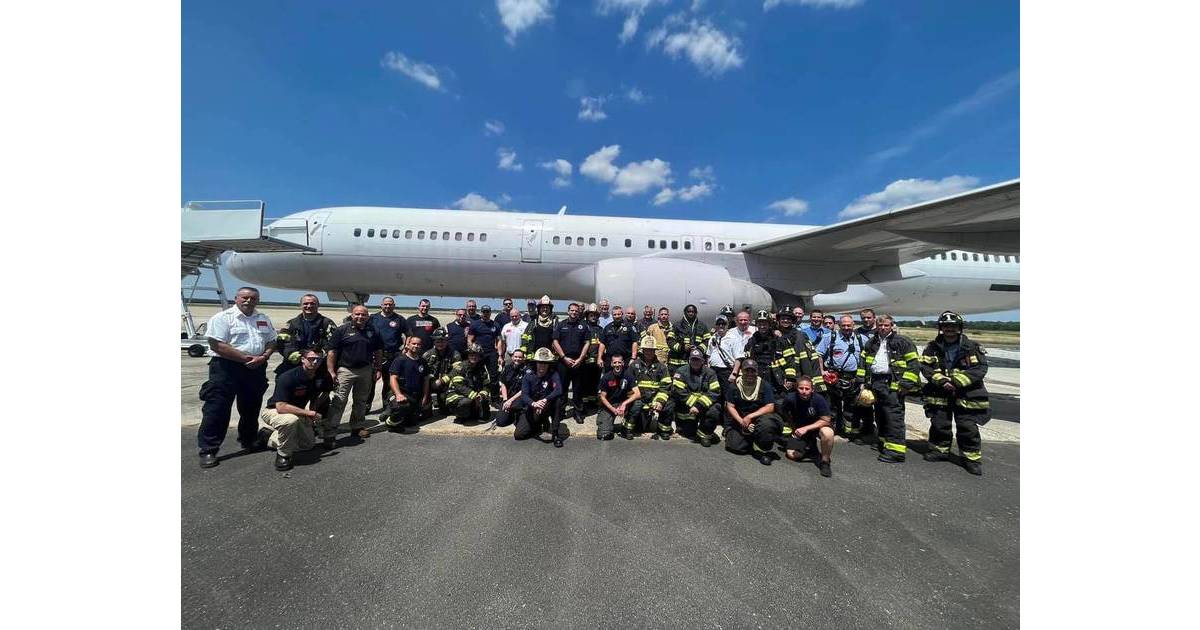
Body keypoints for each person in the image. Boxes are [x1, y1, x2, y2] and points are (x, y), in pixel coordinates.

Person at [196, 287, 278, 469]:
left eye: (253, 298)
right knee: (217, 409)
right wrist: (245, 359)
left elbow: (272, 340)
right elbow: (216, 344)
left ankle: (248, 440)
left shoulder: (262, 318)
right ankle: (209, 449)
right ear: (236, 298)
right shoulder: (223, 318)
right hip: (226, 368)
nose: (249, 301)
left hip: (256, 368)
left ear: (258, 300)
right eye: (245, 297)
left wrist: (264, 357)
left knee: (251, 408)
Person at [918, 311, 990, 476]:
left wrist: (957, 382)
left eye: (953, 326)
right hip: (940, 392)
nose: (949, 329)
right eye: (946, 326)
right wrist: (942, 381)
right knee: (939, 424)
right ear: (941, 328)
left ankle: (971, 459)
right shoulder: (932, 347)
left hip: (966, 393)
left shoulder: (972, 347)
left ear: (959, 328)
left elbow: (980, 368)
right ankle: (939, 451)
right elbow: (925, 368)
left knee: (967, 427)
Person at [855, 314, 921, 463]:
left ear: (892, 326)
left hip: (893, 384)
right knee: (880, 415)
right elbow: (863, 363)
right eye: (880, 325)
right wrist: (862, 381)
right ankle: (884, 442)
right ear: (876, 327)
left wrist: (906, 384)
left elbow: (914, 365)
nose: (883, 328)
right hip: (876, 383)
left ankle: (896, 451)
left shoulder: (903, 342)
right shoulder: (872, 342)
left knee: (893, 416)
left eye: (886, 325)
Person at [258, 349, 332, 471]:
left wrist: (313, 408)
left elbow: (324, 392)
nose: (314, 362)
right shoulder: (288, 377)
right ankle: (283, 455)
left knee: (308, 445)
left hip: (297, 412)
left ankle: (269, 437)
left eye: (318, 359)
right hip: (274, 410)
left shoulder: (320, 375)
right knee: (290, 421)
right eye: (311, 359)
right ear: (303, 359)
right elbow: (281, 406)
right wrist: (310, 413)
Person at [324, 305, 383, 444]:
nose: (360, 317)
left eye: (363, 315)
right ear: (352, 315)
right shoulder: (342, 330)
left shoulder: (372, 331)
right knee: (339, 402)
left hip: (365, 370)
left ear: (368, 316)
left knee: (361, 401)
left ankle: (357, 427)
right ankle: (330, 432)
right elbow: (332, 351)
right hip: (345, 370)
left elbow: (378, 351)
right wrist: (331, 371)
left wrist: (378, 368)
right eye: (357, 314)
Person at [723, 359, 783, 465]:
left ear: (757, 372)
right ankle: (750, 439)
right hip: (741, 419)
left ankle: (762, 450)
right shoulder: (734, 386)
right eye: (747, 371)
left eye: (753, 371)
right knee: (735, 447)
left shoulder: (765, 385)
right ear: (742, 371)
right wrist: (742, 422)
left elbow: (770, 407)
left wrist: (751, 416)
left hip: (759, 417)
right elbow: (730, 406)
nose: (750, 374)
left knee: (767, 424)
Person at [823, 315, 870, 438]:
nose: (846, 327)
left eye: (849, 325)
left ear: (853, 325)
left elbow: (868, 358)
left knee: (852, 405)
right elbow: (819, 354)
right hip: (834, 377)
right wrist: (822, 371)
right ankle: (831, 429)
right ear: (839, 325)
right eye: (843, 325)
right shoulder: (829, 337)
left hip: (853, 378)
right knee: (833, 405)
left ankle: (849, 430)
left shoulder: (862, 339)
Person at [274, 294, 336, 385]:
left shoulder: (327, 323)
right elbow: (283, 343)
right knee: (283, 382)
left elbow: (334, 343)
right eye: (305, 303)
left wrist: (319, 354)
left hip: (319, 364)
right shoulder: (291, 324)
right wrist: (297, 356)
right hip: (295, 363)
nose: (309, 306)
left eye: (312, 303)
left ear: (318, 305)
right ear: (300, 306)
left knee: (322, 391)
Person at [781, 377, 835, 478]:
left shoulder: (819, 399)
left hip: (817, 427)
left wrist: (806, 428)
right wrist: (792, 426)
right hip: (800, 429)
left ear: (812, 389)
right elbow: (784, 412)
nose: (804, 391)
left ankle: (825, 462)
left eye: (807, 389)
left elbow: (826, 420)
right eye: (801, 388)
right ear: (796, 388)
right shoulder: (790, 398)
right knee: (792, 455)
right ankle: (810, 448)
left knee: (828, 433)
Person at [552, 302, 595, 424]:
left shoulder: (583, 326)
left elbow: (587, 342)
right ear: (568, 311)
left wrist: (580, 359)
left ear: (579, 312)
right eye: (572, 310)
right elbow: (555, 341)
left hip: (578, 362)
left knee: (578, 389)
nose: (574, 312)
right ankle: (560, 412)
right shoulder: (561, 325)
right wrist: (564, 357)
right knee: (562, 389)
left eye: (576, 311)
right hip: (563, 362)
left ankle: (578, 413)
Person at [671, 348, 723, 445]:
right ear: (689, 360)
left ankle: (705, 433)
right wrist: (694, 405)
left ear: (703, 361)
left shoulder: (710, 373)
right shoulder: (681, 371)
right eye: (693, 359)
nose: (695, 362)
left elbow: (715, 392)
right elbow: (680, 392)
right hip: (687, 407)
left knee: (715, 409)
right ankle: (706, 432)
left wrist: (698, 406)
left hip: (703, 406)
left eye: (698, 360)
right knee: (688, 433)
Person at [624, 337, 674, 440]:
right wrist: (633, 398)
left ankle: (663, 430)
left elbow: (666, 386)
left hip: (654, 399)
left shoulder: (661, 367)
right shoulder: (635, 365)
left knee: (669, 404)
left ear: (654, 351)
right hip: (639, 399)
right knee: (636, 407)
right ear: (642, 350)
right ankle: (628, 429)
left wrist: (659, 401)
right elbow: (628, 384)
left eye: (651, 350)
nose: (649, 352)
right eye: (646, 349)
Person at [515, 347, 565, 447]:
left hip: (548, 405)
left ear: (549, 363)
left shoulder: (553, 374)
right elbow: (524, 395)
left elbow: (559, 390)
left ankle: (555, 433)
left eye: (545, 362)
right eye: (540, 362)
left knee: (558, 400)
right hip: (533, 407)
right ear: (536, 362)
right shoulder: (528, 375)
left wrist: (545, 399)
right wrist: (533, 404)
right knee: (519, 435)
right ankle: (539, 423)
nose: (542, 365)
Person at [369, 296, 408, 415]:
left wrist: (405, 349)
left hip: (392, 355)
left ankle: (386, 405)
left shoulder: (399, 319)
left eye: (390, 304)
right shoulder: (373, 318)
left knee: (388, 382)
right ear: (381, 305)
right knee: (371, 381)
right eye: (385, 304)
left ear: (394, 306)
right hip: (374, 355)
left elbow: (409, 334)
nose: (387, 306)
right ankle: (366, 405)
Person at [384, 336, 427, 433]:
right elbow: (393, 378)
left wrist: (425, 397)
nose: (416, 346)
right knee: (401, 407)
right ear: (408, 345)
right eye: (413, 343)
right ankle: (390, 423)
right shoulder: (400, 360)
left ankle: (391, 413)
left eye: (418, 344)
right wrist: (398, 394)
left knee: (412, 422)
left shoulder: (422, 361)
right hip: (401, 393)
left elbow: (426, 380)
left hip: (414, 396)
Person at [595, 353, 639, 441]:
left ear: (623, 363)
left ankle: (626, 428)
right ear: (611, 364)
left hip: (623, 403)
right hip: (610, 405)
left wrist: (624, 404)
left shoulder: (628, 375)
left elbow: (638, 393)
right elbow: (602, 397)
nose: (617, 365)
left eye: (619, 362)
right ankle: (607, 426)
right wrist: (613, 410)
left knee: (638, 403)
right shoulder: (606, 377)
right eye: (615, 362)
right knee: (604, 435)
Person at [446, 343, 492, 424]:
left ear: (480, 357)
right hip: (458, 395)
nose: (473, 357)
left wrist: (482, 395)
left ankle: (471, 413)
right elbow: (459, 386)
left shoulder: (481, 369)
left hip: (474, 396)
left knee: (485, 413)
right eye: (471, 355)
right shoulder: (460, 367)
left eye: (476, 355)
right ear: (468, 355)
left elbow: (486, 385)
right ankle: (460, 415)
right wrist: (474, 396)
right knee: (465, 402)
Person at [422, 328, 460, 412]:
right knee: (425, 411)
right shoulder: (427, 355)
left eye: (442, 341)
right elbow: (422, 372)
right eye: (437, 342)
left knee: (445, 410)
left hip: (446, 384)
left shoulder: (455, 354)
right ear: (434, 342)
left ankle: (442, 401)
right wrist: (429, 381)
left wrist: (442, 380)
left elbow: (457, 371)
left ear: (447, 341)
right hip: (429, 384)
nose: (440, 344)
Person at [467, 304, 502, 394]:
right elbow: (469, 340)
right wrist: (472, 352)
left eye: (487, 312)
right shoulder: (475, 324)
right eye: (484, 312)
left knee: (494, 375)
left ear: (490, 313)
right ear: (481, 313)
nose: (485, 314)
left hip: (491, 353)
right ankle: (478, 395)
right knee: (478, 375)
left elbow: (499, 341)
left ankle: (495, 398)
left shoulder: (495, 325)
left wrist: (500, 355)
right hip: (479, 354)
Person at [578, 303, 606, 413]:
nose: (593, 317)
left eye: (595, 315)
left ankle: (592, 402)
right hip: (584, 362)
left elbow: (603, 344)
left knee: (595, 383)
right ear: (587, 315)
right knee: (584, 383)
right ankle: (583, 404)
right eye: (591, 315)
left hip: (596, 362)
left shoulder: (600, 329)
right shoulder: (582, 327)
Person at [493, 349, 531, 428]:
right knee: (500, 422)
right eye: (515, 357)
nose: (517, 359)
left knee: (515, 406)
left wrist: (510, 401)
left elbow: (524, 389)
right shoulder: (507, 368)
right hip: (508, 397)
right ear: (512, 357)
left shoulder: (527, 371)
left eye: (520, 357)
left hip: (520, 398)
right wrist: (505, 400)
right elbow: (503, 384)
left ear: (524, 358)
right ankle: (511, 415)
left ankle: (518, 414)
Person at [669, 304, 711, 371]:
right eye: (688, 311)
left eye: (693, 312)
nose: (691, 313)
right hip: (677, 364)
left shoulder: (702, 326)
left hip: (695, 363)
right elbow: (670, 340)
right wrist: (682, 348)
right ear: (685, 312)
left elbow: (708, 341)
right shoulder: (677, 325)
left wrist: (699, 349)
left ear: (696, 313)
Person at [720, 310, 757, 383]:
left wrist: (775, 331)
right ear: (736, 321)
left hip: (750, 364)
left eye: (745, 320)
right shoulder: (730, 332)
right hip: (735, 364)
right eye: (741, 320)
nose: (743, 322)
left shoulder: (755, 330)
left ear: (749, 321)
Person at [600, 306, 639, 371]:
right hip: (610, 360)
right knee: (609, 379)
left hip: (625, 360)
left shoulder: (629, 327)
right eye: (615, 314)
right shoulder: (607, 328)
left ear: (622, 314)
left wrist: (633, 358)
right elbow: (602, 343)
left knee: (625, 379)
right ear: (612, 315)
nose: (617, 316)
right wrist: (599, 358)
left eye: (619, 314)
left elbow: (635, 342)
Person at [706, 316, 736, 384]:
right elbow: (708, 355)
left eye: (723, 324)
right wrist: (708, 368)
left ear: (727, 325)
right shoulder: (712, 338)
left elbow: (738, 358)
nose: (721, 326)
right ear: (715, 325)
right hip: (713, 370)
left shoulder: (733, 338)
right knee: (713, 392)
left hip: (726, 371)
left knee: (726, 393)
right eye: (718, 324)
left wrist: (734, 373)